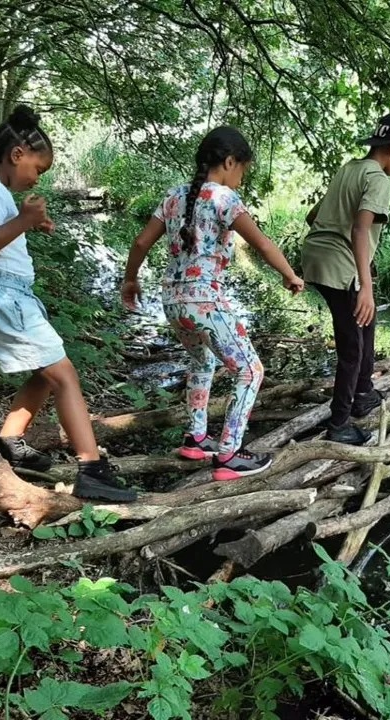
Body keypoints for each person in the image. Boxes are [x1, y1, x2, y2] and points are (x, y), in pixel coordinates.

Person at [0, 105, 136, 502]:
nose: (38, 177)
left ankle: (10, 437)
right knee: (64, 375)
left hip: (4, 293)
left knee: (45, 371)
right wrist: (21, 221)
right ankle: (92, 470)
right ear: (17, 154)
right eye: (38, 169)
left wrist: (25, 223)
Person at [122, 126, 303, 481]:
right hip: (203, 300)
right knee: (251, 371)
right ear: (230, 161)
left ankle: (196, 438)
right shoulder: (224, 199)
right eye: (242, 171)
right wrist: (290, 275)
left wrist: (130, 280)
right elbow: (263, 244)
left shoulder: (173, 197)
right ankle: (229, 453)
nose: (241, 179)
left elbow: (141, 243)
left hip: (172, 300)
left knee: (201, 360)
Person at [301, 111, 390, 445]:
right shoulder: (379, 179)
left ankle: (364, 392)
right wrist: (365, 286)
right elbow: (359, 229)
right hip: (340, 267)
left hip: (316, 257)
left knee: (366, 324)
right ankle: (339, 425)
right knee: (351, 346)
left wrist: (331, 243)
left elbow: (314, 216)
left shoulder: (349, 168)